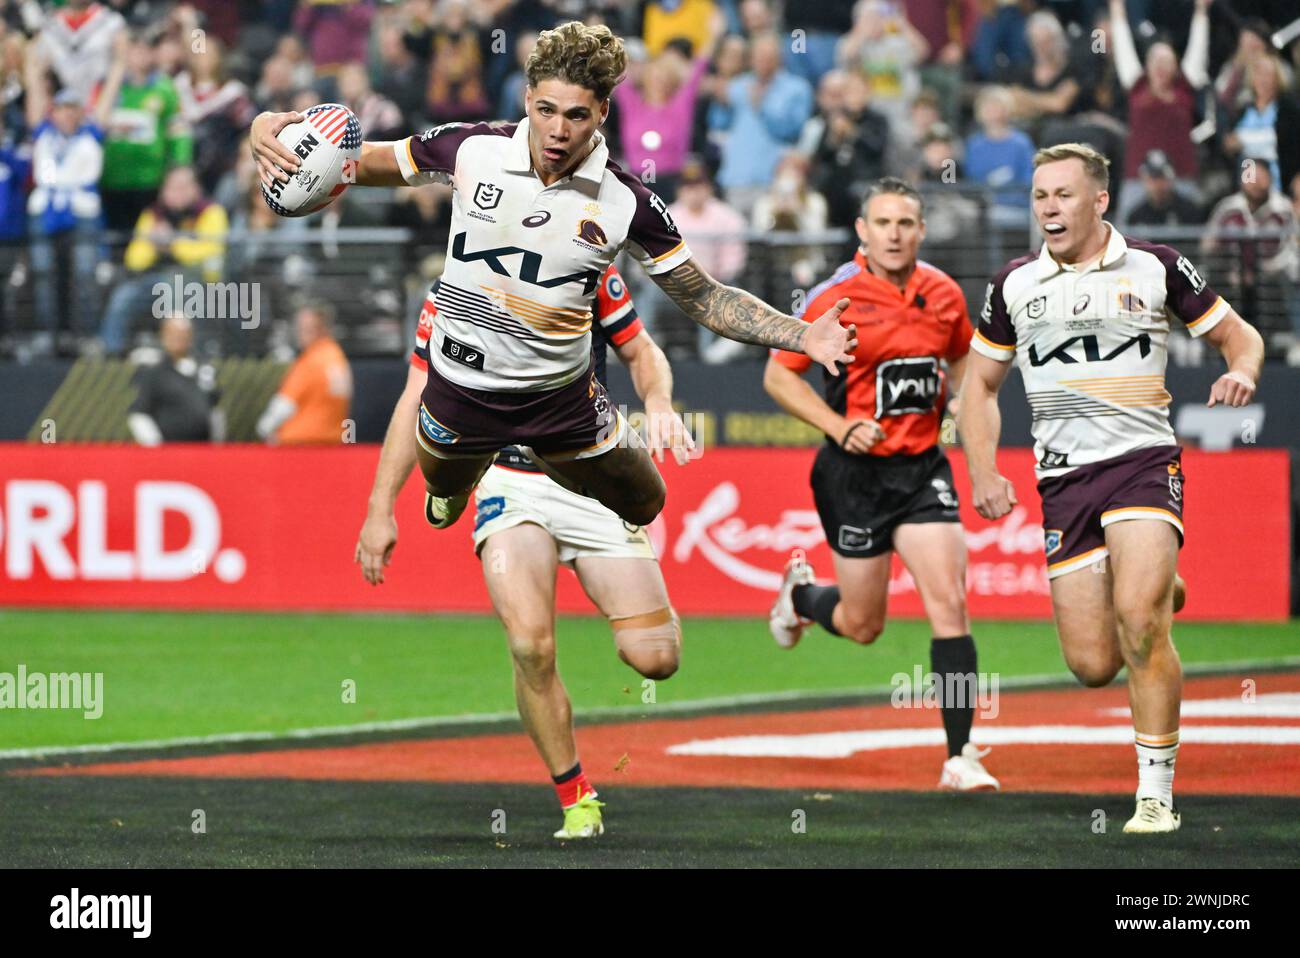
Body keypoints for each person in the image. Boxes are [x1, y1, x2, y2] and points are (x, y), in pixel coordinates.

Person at [250, 21, 854, 534]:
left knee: (648, 504)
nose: (559, 131)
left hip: (560, 400)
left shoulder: (627, 201)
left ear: (602, 113)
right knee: (444, 496)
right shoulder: (470, 149)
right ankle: (468, 480)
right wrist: (274, 132)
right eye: (545, 110)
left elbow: (704, 296)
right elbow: (358, 163)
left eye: (576, 115)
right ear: (527, 99)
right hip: (460, 388)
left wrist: (801, 335)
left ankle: (554, 460)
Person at [958, 143, 1264, 834]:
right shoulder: (1014, 283)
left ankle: (1154, 796)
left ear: (1099, 200)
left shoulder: (1154, 266)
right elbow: (976, 387)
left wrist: (1241, 371)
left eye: (1063, 195)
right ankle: (1160, 587)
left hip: (1142, 463)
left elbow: (1240, 338)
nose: (1049, 208)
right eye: (1040, 196)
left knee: (1139, 622)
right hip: (1064, 480)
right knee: (1093, 663)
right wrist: (982, 468)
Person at [355, 265, 693, 840]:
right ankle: (576, 795)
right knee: (530, 645)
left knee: (655, 657)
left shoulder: (586, 269)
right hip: (510, 484)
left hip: (587, 474)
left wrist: (659, 400)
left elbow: (641, 351)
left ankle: (452, 482)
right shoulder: (450, 290)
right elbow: (417, 394)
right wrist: (380, 506)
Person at [764, 176, 999, 792]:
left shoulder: (944, 292)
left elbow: (963, 358)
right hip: (854, 475)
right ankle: (801, 599)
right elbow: (780, 378)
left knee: (950, 602)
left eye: (906, 224)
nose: (895, 234)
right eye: (883, 223)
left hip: (922, 469)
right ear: (862, 231)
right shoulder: (834, 295)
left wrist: (957, 405)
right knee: (865, 625)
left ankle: (959, 755)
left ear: (920, 231)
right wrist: (840, 428)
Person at [98, 165, 228, 355]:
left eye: (184, 186)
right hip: (155, 279)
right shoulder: (153, 215)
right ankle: (111, 354)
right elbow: (133, 260)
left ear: (196, 188)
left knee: (174, 287)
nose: (178, 192)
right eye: (173, 187)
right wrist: (153, 244)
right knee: (124, 296)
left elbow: (212, 252)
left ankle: (177, 356)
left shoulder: (210, 212)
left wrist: (173, 243)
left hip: (200, 283)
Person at [256, 303, 353, 445]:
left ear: (320, 329)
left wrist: (263, 428)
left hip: (300, 442)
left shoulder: (311, 361)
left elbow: (284, 404)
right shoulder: (338, 358)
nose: (299, 334)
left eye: (305, 329)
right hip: (333, 440)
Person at [127, 313, 223, 445]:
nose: (178, 339)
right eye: (174, 334)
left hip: (202, 450)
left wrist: (217, 445)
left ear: (191, 337)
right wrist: (156, 447)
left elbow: (214, 410)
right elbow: (139, 413)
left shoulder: (204, 370)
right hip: (169, 450)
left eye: (183, 335)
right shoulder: (154, 372)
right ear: (163, 336)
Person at [1126, 150, 1203, 228]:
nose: (1158, 185)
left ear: (1172, 179)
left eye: (1162, 178)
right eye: (1153, 179)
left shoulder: (1189, 212)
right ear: (1143, 179)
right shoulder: (1136, 216)